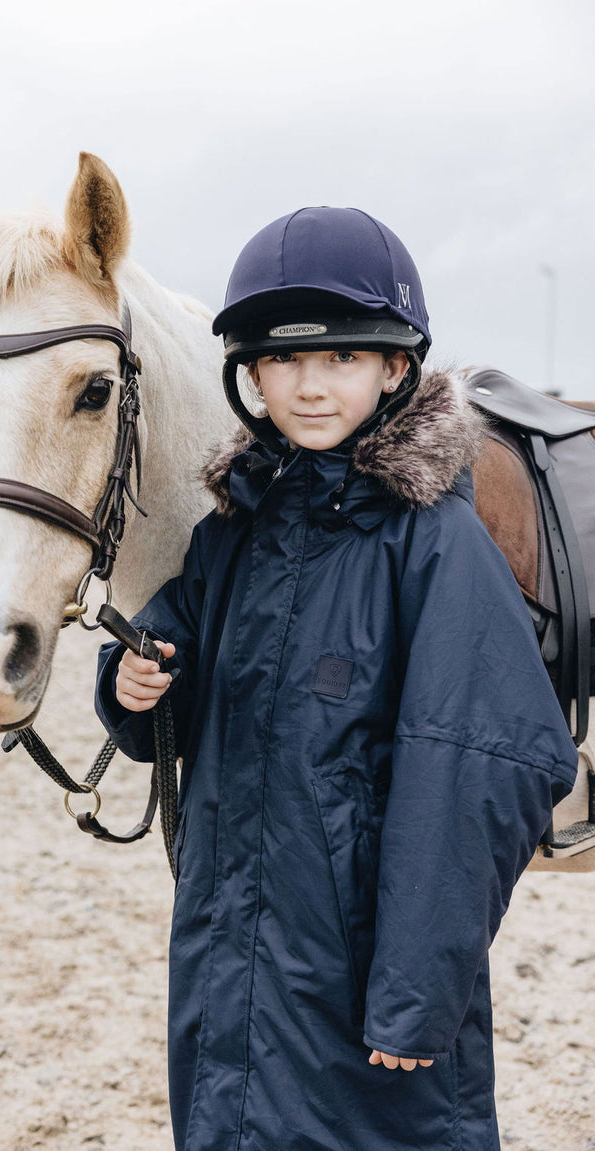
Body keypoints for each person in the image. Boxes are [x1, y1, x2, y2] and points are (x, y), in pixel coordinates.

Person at [94, 207, 578, 1151]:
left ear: (395, 369)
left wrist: (417, 993)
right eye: (282, 362)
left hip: (365, 989)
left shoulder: (435, 542)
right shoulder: (231, 532)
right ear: (251, 374)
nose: (309, 387)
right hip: (228, 963)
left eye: (341, 360)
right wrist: (135, 680)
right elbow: (174, 646)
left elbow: (484, 767)